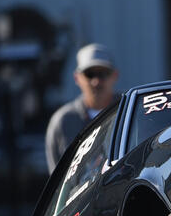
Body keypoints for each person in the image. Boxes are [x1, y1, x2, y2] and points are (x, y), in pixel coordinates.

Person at [45, 43, 119, 172]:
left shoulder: (129, 111)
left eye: (102, 74)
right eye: (89, 74)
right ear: (77, 78)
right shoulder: (64, 121)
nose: (96, 81)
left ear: (115, 75)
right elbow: (57, 176)